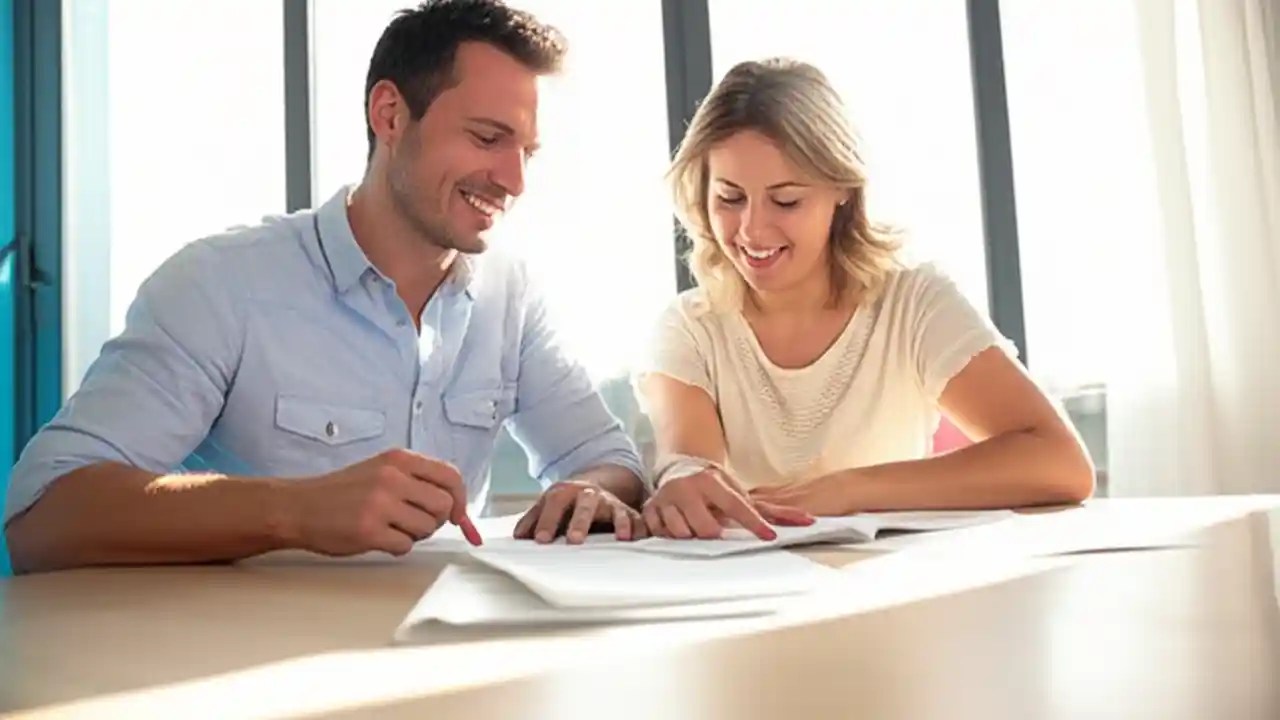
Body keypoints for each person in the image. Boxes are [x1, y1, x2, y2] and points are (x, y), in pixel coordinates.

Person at [4, 0, 650, 574]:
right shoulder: (220, 285)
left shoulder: (513, 297)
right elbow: (41, 515)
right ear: (389, 114)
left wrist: (592, 489)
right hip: (245, 661)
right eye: (487, 138)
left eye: (527, 153)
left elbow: (608, 460)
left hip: (443, 652)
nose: (514, 180)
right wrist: (296, 511)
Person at [635, 58, 1095, 540]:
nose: (752, 230)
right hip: (752, 577)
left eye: (786, 200)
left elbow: (1060, 463)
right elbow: (693, 469)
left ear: (842, 189)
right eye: (729, 198)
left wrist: (849, 490)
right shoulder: (690, 327)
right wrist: (683, 478)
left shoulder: (913, 303)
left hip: (894, 577)